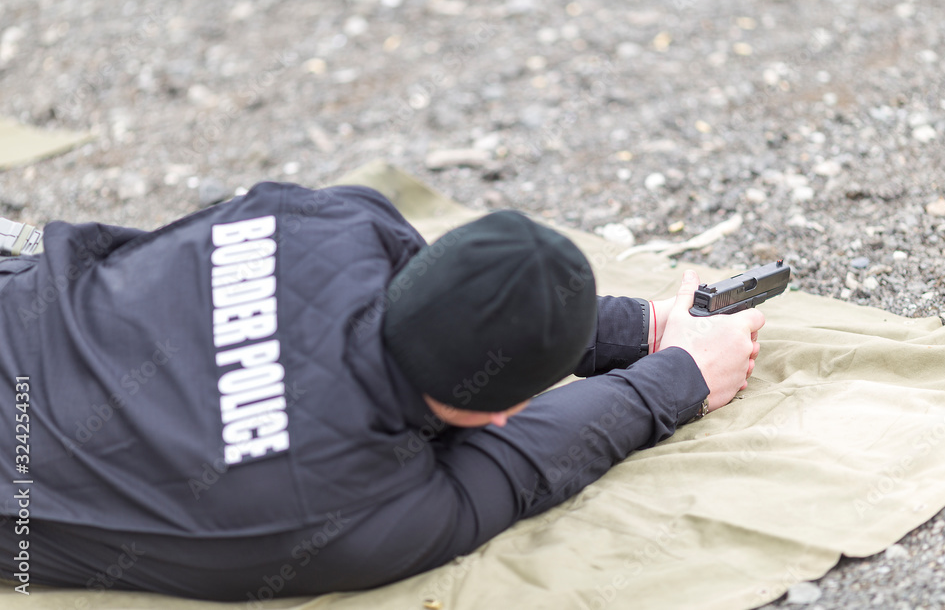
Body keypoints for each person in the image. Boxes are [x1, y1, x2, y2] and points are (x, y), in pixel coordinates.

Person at [0, 182, 763, 601]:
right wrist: (680, 377)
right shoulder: (348, 512)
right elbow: (525, 464)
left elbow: (435, 287)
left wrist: (646, 327)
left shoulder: (326, 218)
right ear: (499, 408)